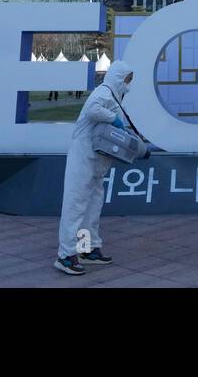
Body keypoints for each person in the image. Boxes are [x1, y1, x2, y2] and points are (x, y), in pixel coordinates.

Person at [55, 62, 134, 276]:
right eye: (127, 80)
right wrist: (114, 119)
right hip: (83, 156)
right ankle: (65, 255)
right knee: (76, 204)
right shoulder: (103, 92)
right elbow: (92, 110)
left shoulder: (114, 95)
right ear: (118, 77)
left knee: (91, 206)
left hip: (97, 159)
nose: (129, 84)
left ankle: (86, 248)